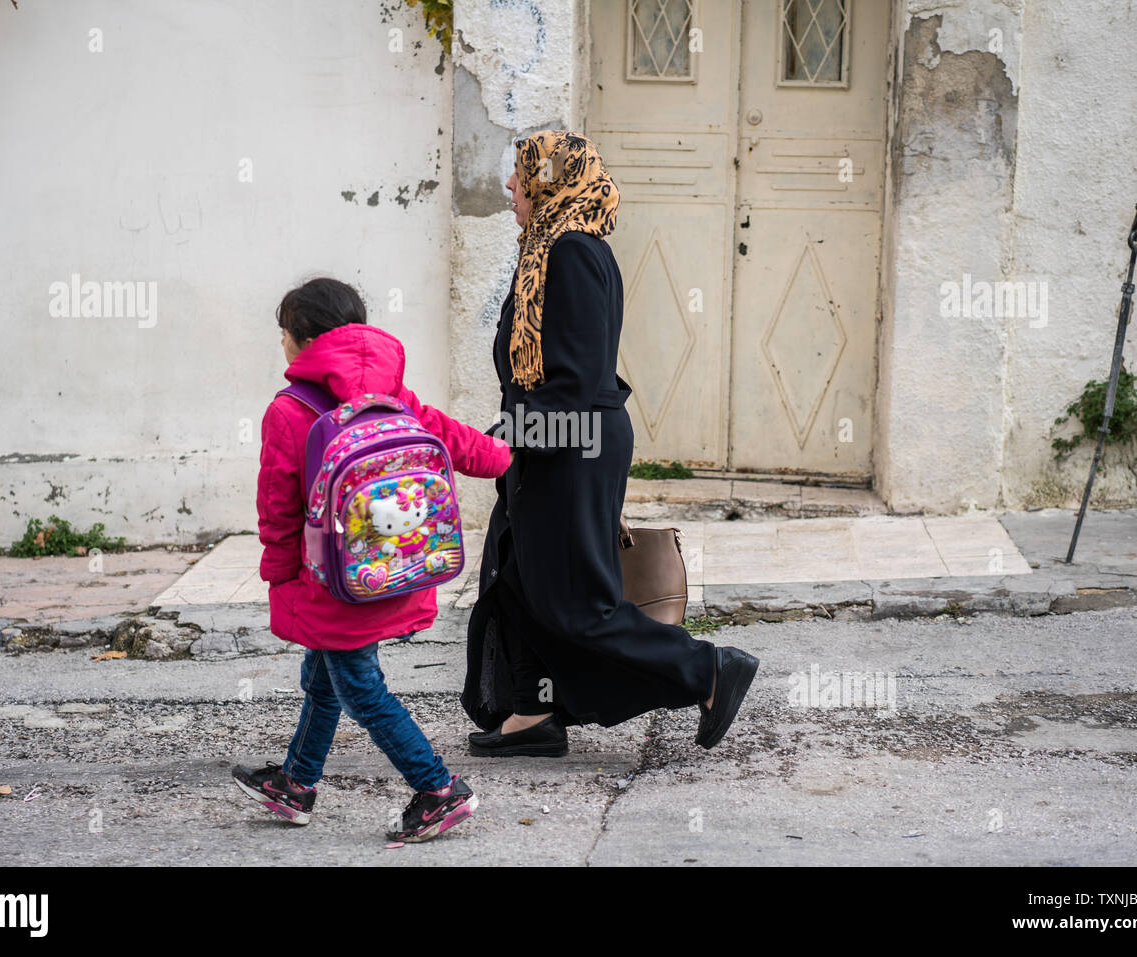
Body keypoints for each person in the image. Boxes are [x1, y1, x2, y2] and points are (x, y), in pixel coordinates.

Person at [461, 130, 759, 755]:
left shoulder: (570, 252)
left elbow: (573, 381)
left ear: (551, 181)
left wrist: (507, 437)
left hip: (568, 447)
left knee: (579, 604)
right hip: (555, 445)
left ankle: (706, 670)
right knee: (519, 579)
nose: (512, 185)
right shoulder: (547, 250)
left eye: (522, 174)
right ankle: (532, 710)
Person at [232, 277, 512, 842]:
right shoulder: (391, 394)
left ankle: (437, 790)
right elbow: (453, 440)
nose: (282, 344)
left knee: (359, 685)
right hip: (396, 568)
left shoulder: (289, 410)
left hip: (329, 581)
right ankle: (296, 783)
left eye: (283, 333)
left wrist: (279, 574)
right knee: (324, 675)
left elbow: (278, 506)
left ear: (302, 341)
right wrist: (504, 455)